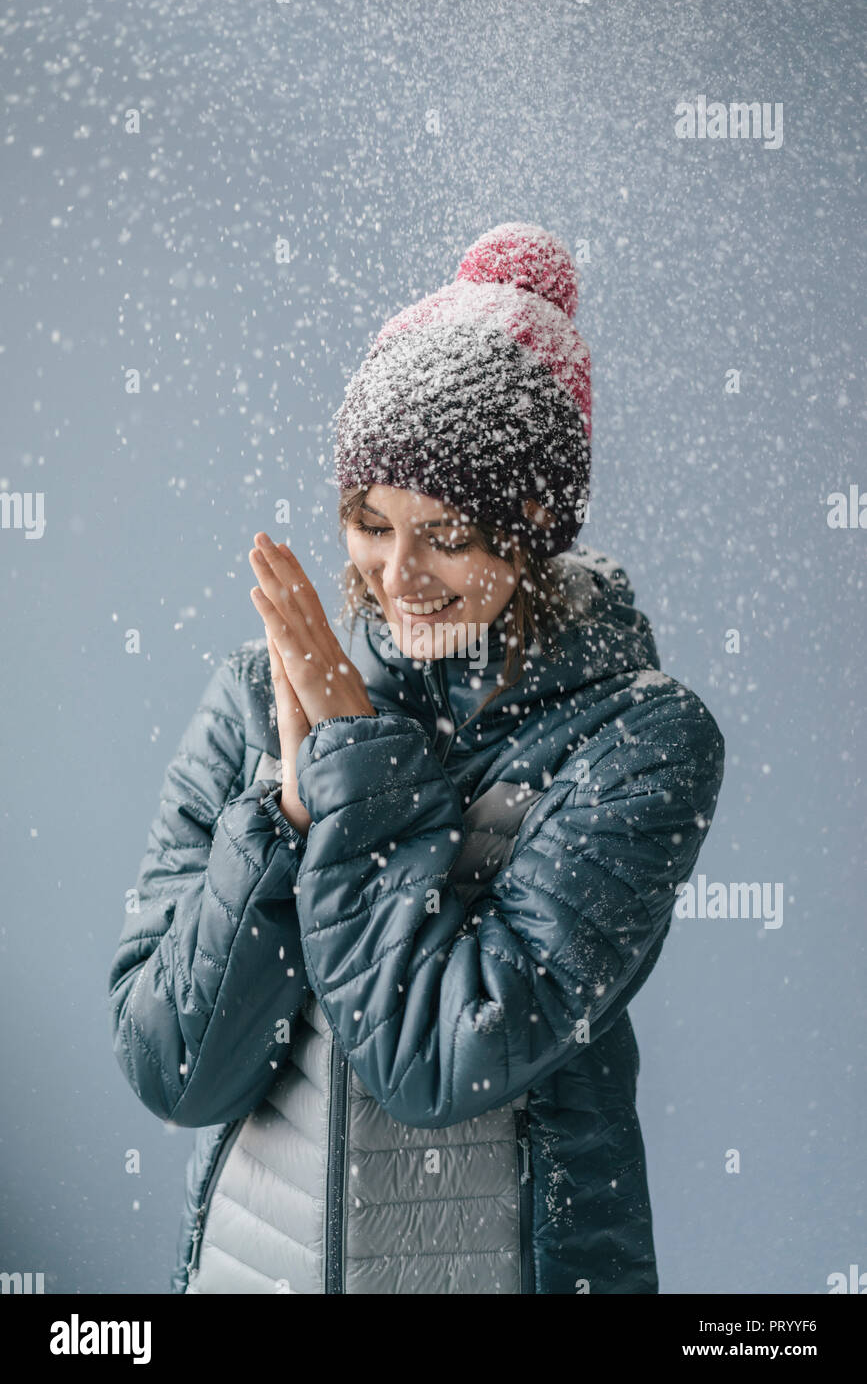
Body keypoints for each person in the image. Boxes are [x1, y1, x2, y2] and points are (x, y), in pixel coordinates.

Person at [108, 222, 725, 1294]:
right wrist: (284, 819)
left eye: (445, 532)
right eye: (368, 522)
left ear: (535, 521)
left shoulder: (640, 743)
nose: (399, 575)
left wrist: (350, 756)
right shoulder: (257, 699)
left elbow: (435, 1061)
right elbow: (172, 1068)